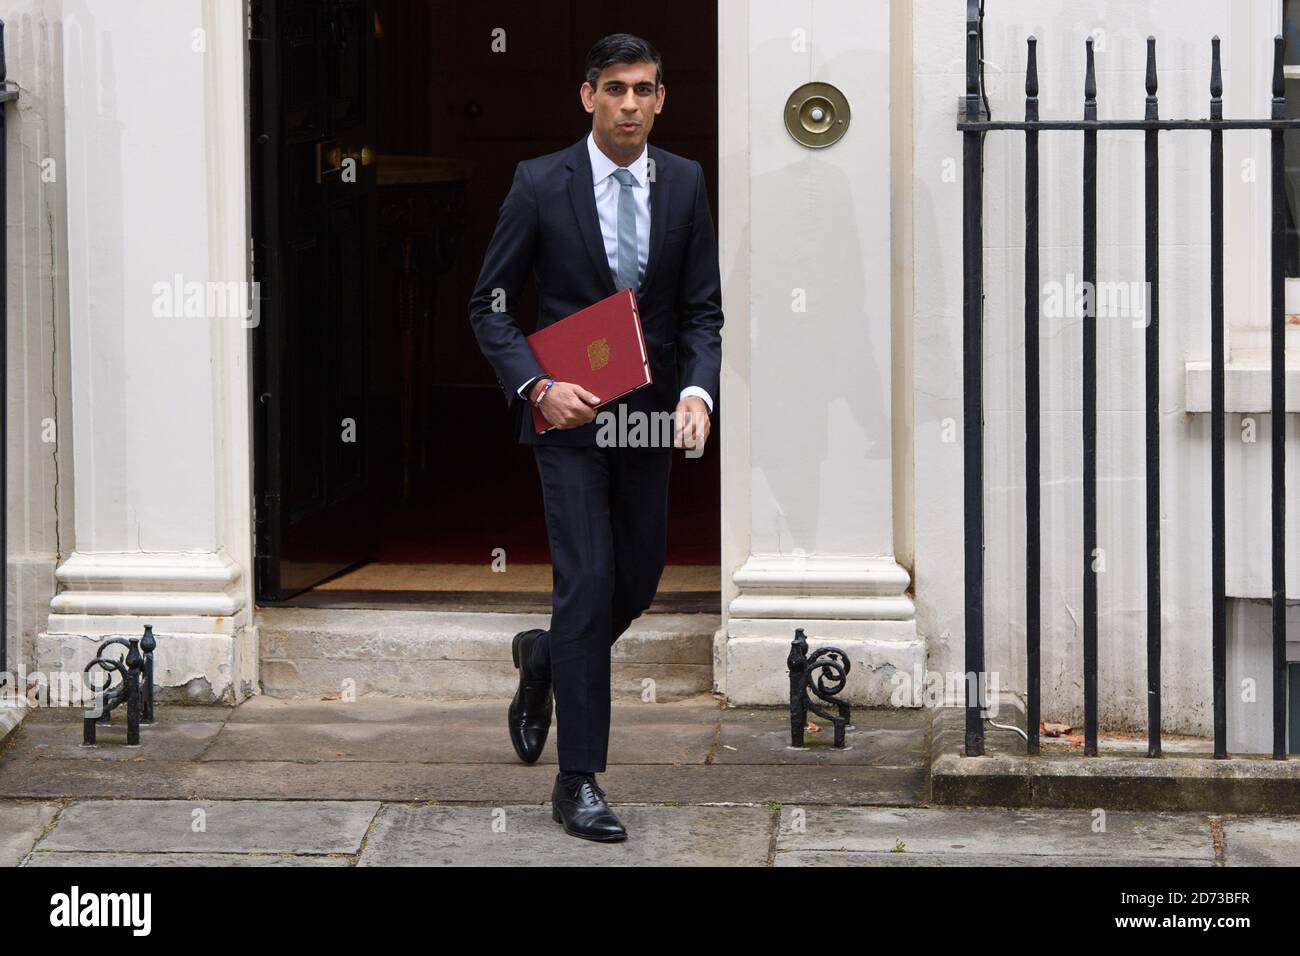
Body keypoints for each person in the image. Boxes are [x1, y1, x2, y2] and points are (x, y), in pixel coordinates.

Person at [467, 33, 723, 841]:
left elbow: (701, 311)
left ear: (660, 99)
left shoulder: (684, 182)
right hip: (567, 415)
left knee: (638, 578)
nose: (629, 105)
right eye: (614, 89)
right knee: (585, 583)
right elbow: (491, 306)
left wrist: (696, 391)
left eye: (644, 90)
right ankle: (577, 779)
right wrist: (539, 386)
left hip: (646, 416)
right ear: (587, 96)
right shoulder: (540, 182)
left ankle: (543, 659)